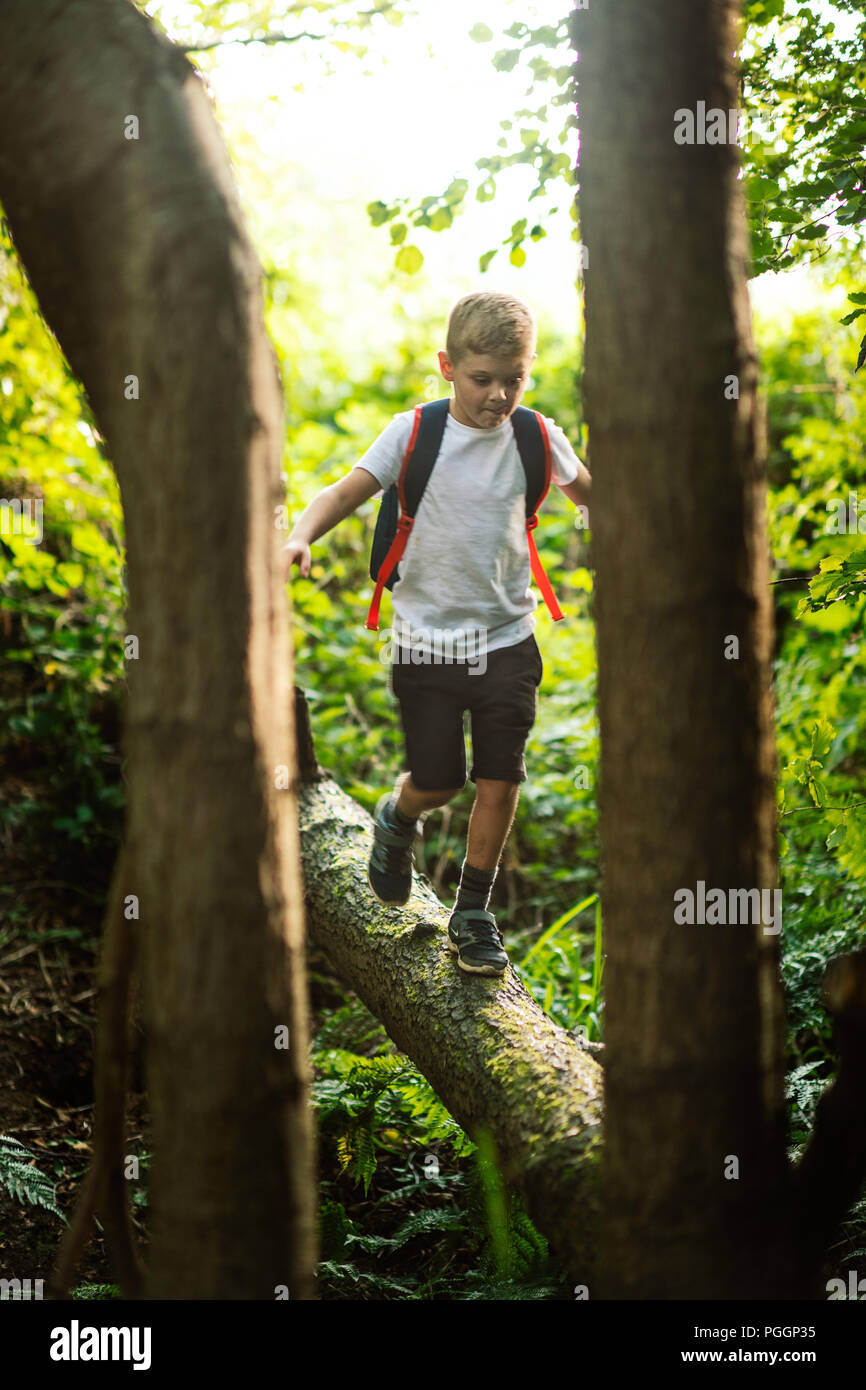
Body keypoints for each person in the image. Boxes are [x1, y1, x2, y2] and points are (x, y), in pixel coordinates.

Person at [283, 291, 591, 976]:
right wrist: (300, 535)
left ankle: (473, 912)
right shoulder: (414, 433)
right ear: (448, 366)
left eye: (514, 378)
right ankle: (398, 817)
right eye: (484, 378)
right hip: (425, 640)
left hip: (508, 635)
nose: (499, 394)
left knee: (500, 775)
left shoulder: (537, 437)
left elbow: (595, 496)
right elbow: (343, 491)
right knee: (440, 779)